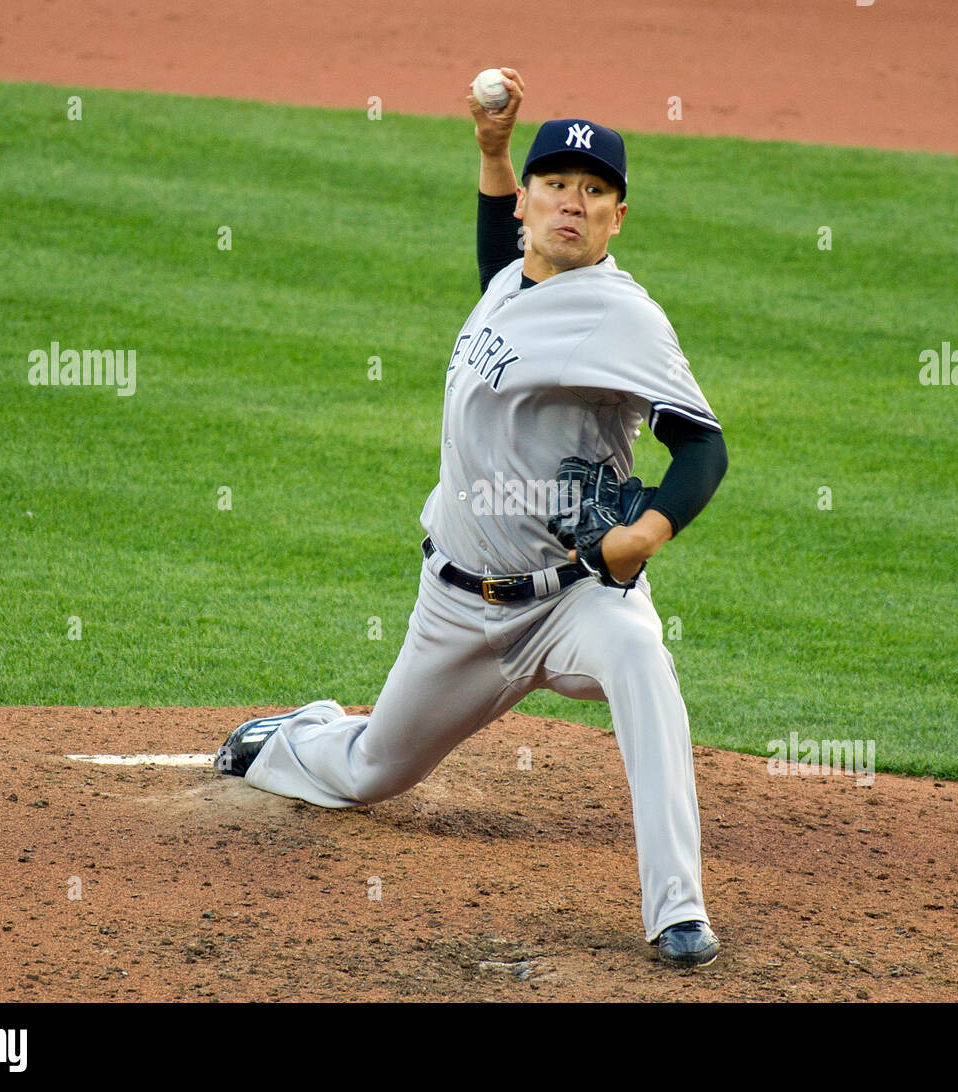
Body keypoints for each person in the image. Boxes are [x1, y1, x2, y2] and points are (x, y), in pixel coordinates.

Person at [215, 68, 729, 967]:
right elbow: (499, 254)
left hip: (573, 599)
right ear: (530, 200)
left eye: (595, 192)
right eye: (556, 185)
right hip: (457, 604)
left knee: (644, 660)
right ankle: (286, 738)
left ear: (617, 217)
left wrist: (645, 535)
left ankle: (676, 910)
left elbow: (702, 449)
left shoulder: (624, 318)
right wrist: (492, 150)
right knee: (374, 770)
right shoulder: (511, 278)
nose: (573, 203)